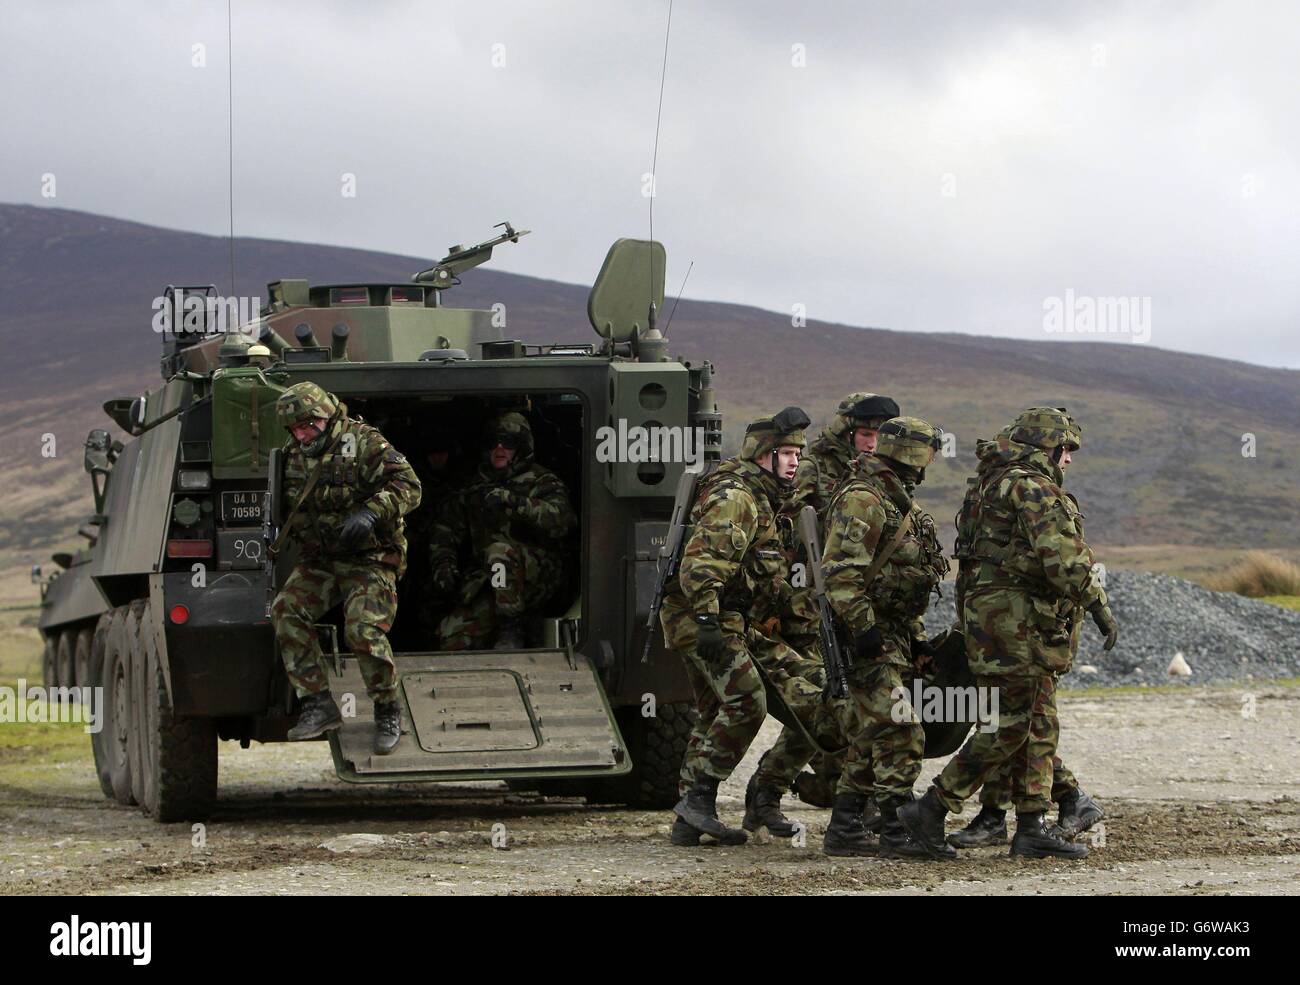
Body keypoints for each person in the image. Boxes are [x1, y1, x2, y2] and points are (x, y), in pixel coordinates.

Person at [901, 407, 1118, 860]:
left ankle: (1032, 825)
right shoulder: (1032, 486)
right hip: (1018, 625)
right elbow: (1062, 558)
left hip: (992, 621)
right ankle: (932, 809)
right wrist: (1098, 603)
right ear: (1047, 447)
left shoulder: (988, 486)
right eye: (1065, 450)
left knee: (1037, 721)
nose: (1068, 460)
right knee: (1009, 724)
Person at [747, 392, 902, 829]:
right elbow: (788, 529)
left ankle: (813, 793)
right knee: (821, 704)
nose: (873, 443)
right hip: (805, 601)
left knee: (836, 704)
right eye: (867, 433)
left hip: (844, 603)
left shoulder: (873, 474)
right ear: (849, 430)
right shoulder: (814, 468)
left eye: (879, 435)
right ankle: (771, 790)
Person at [659, 407, 811, 845]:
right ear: (763, 454)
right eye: (786, 452)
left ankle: (688, 821)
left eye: (798, 453)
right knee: (747, 701)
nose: (794, 461)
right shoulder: (737, 497)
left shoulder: (761, 497)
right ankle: (700, 799)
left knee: (712, 712)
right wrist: (707, 621)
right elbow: (700, 567)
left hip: (715, 617)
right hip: (701, 616)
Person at [269, 382, 422, 755]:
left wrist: (371, 512)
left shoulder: (365, 442)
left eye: (307, 426)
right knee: (285, 610)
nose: (302, 435)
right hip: (321, 560)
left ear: (324, 417)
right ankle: (318, 705)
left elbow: (410, 485)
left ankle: (387, 708)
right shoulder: (294, 454)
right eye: (295, 429)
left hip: (370, 558)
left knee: (362, 630)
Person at [820, 417, 949, 858]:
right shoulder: (864, 499)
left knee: (872, 734)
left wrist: (917, 640)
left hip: (888, 633)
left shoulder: (895, 501)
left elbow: (899, 582)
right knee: (901, 729)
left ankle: (845, 826)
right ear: (912, 455)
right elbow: (840, 576)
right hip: (861, 637)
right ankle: (898, 830)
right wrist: (865, 632)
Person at [428, 412, 576, 650]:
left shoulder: (541, 481)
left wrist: (515, 502)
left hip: (536, 577)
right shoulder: (475, 485)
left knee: (499, 552)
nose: (499, 448)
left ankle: (512, 628)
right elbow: (445, 527)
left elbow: (562, 521)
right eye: (494, 441)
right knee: (451, 635)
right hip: (492, 579)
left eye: (508, 442)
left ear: (521, 447)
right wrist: (444, 565)